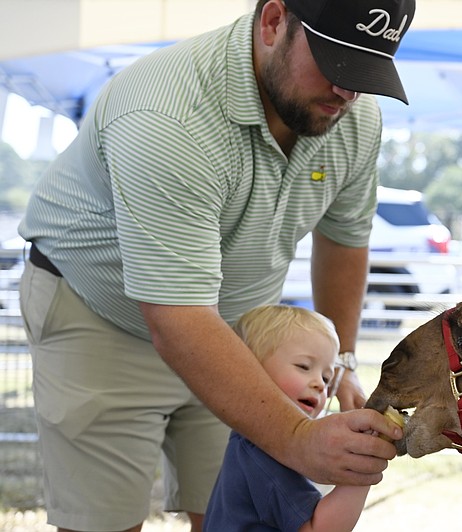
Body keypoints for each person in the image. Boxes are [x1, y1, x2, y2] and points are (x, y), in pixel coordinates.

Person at [17, 0, 414, 529]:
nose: (348, 93)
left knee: (237, 515)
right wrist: (299, 441)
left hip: (241, 332)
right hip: (101, 315)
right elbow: (178, 318)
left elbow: (343, 240)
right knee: (104, 522)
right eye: (335, 63)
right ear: (274, 22)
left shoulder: (354, 119)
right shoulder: (167, 114)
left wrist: (339, 359)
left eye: (365, 72)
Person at [204, 304, 376, 531]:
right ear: (252, 372)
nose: (318, 384)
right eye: (303, 366)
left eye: (326, 378)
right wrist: (363, 468)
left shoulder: (247, 442)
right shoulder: (265, 456)